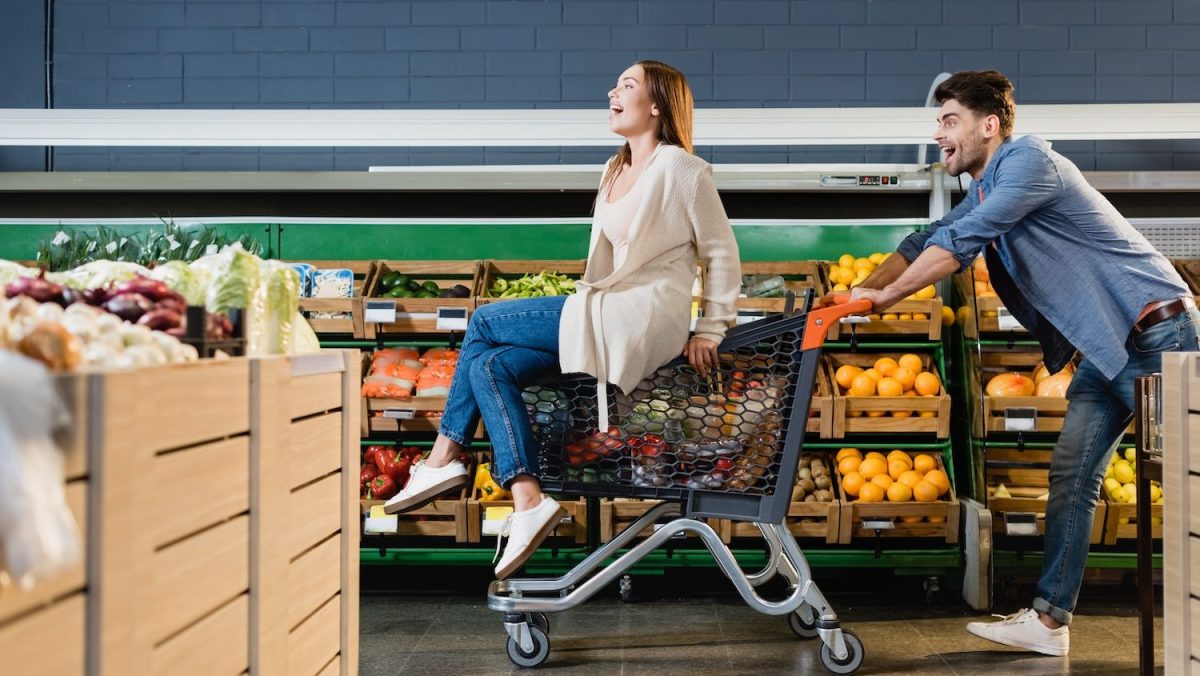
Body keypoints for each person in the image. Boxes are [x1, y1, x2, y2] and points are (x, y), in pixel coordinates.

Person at [847, 70, 1198, 657]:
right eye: (938, 122)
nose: (939, 134)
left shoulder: (1031, 163)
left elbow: (962, 244)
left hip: (1157, 335)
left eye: (949, 120)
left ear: (990, 126)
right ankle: (1049, 620)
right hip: (1106, 349)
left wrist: (886, 298)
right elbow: (927, 237)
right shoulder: (983, 187)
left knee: (1187, 481)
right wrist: (860, 293)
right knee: (1073, 476)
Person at [383, 60, 741, 580]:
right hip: (603, 311)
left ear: (658, 104)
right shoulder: (614, 168)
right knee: (490, 368)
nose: (611, 91)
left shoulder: (681, 169)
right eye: (615, 83)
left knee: (483, 321)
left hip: (640, 315)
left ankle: (441, 460)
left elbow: (721, 252)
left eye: (627, 85)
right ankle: (529, 502)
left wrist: (711, 327)